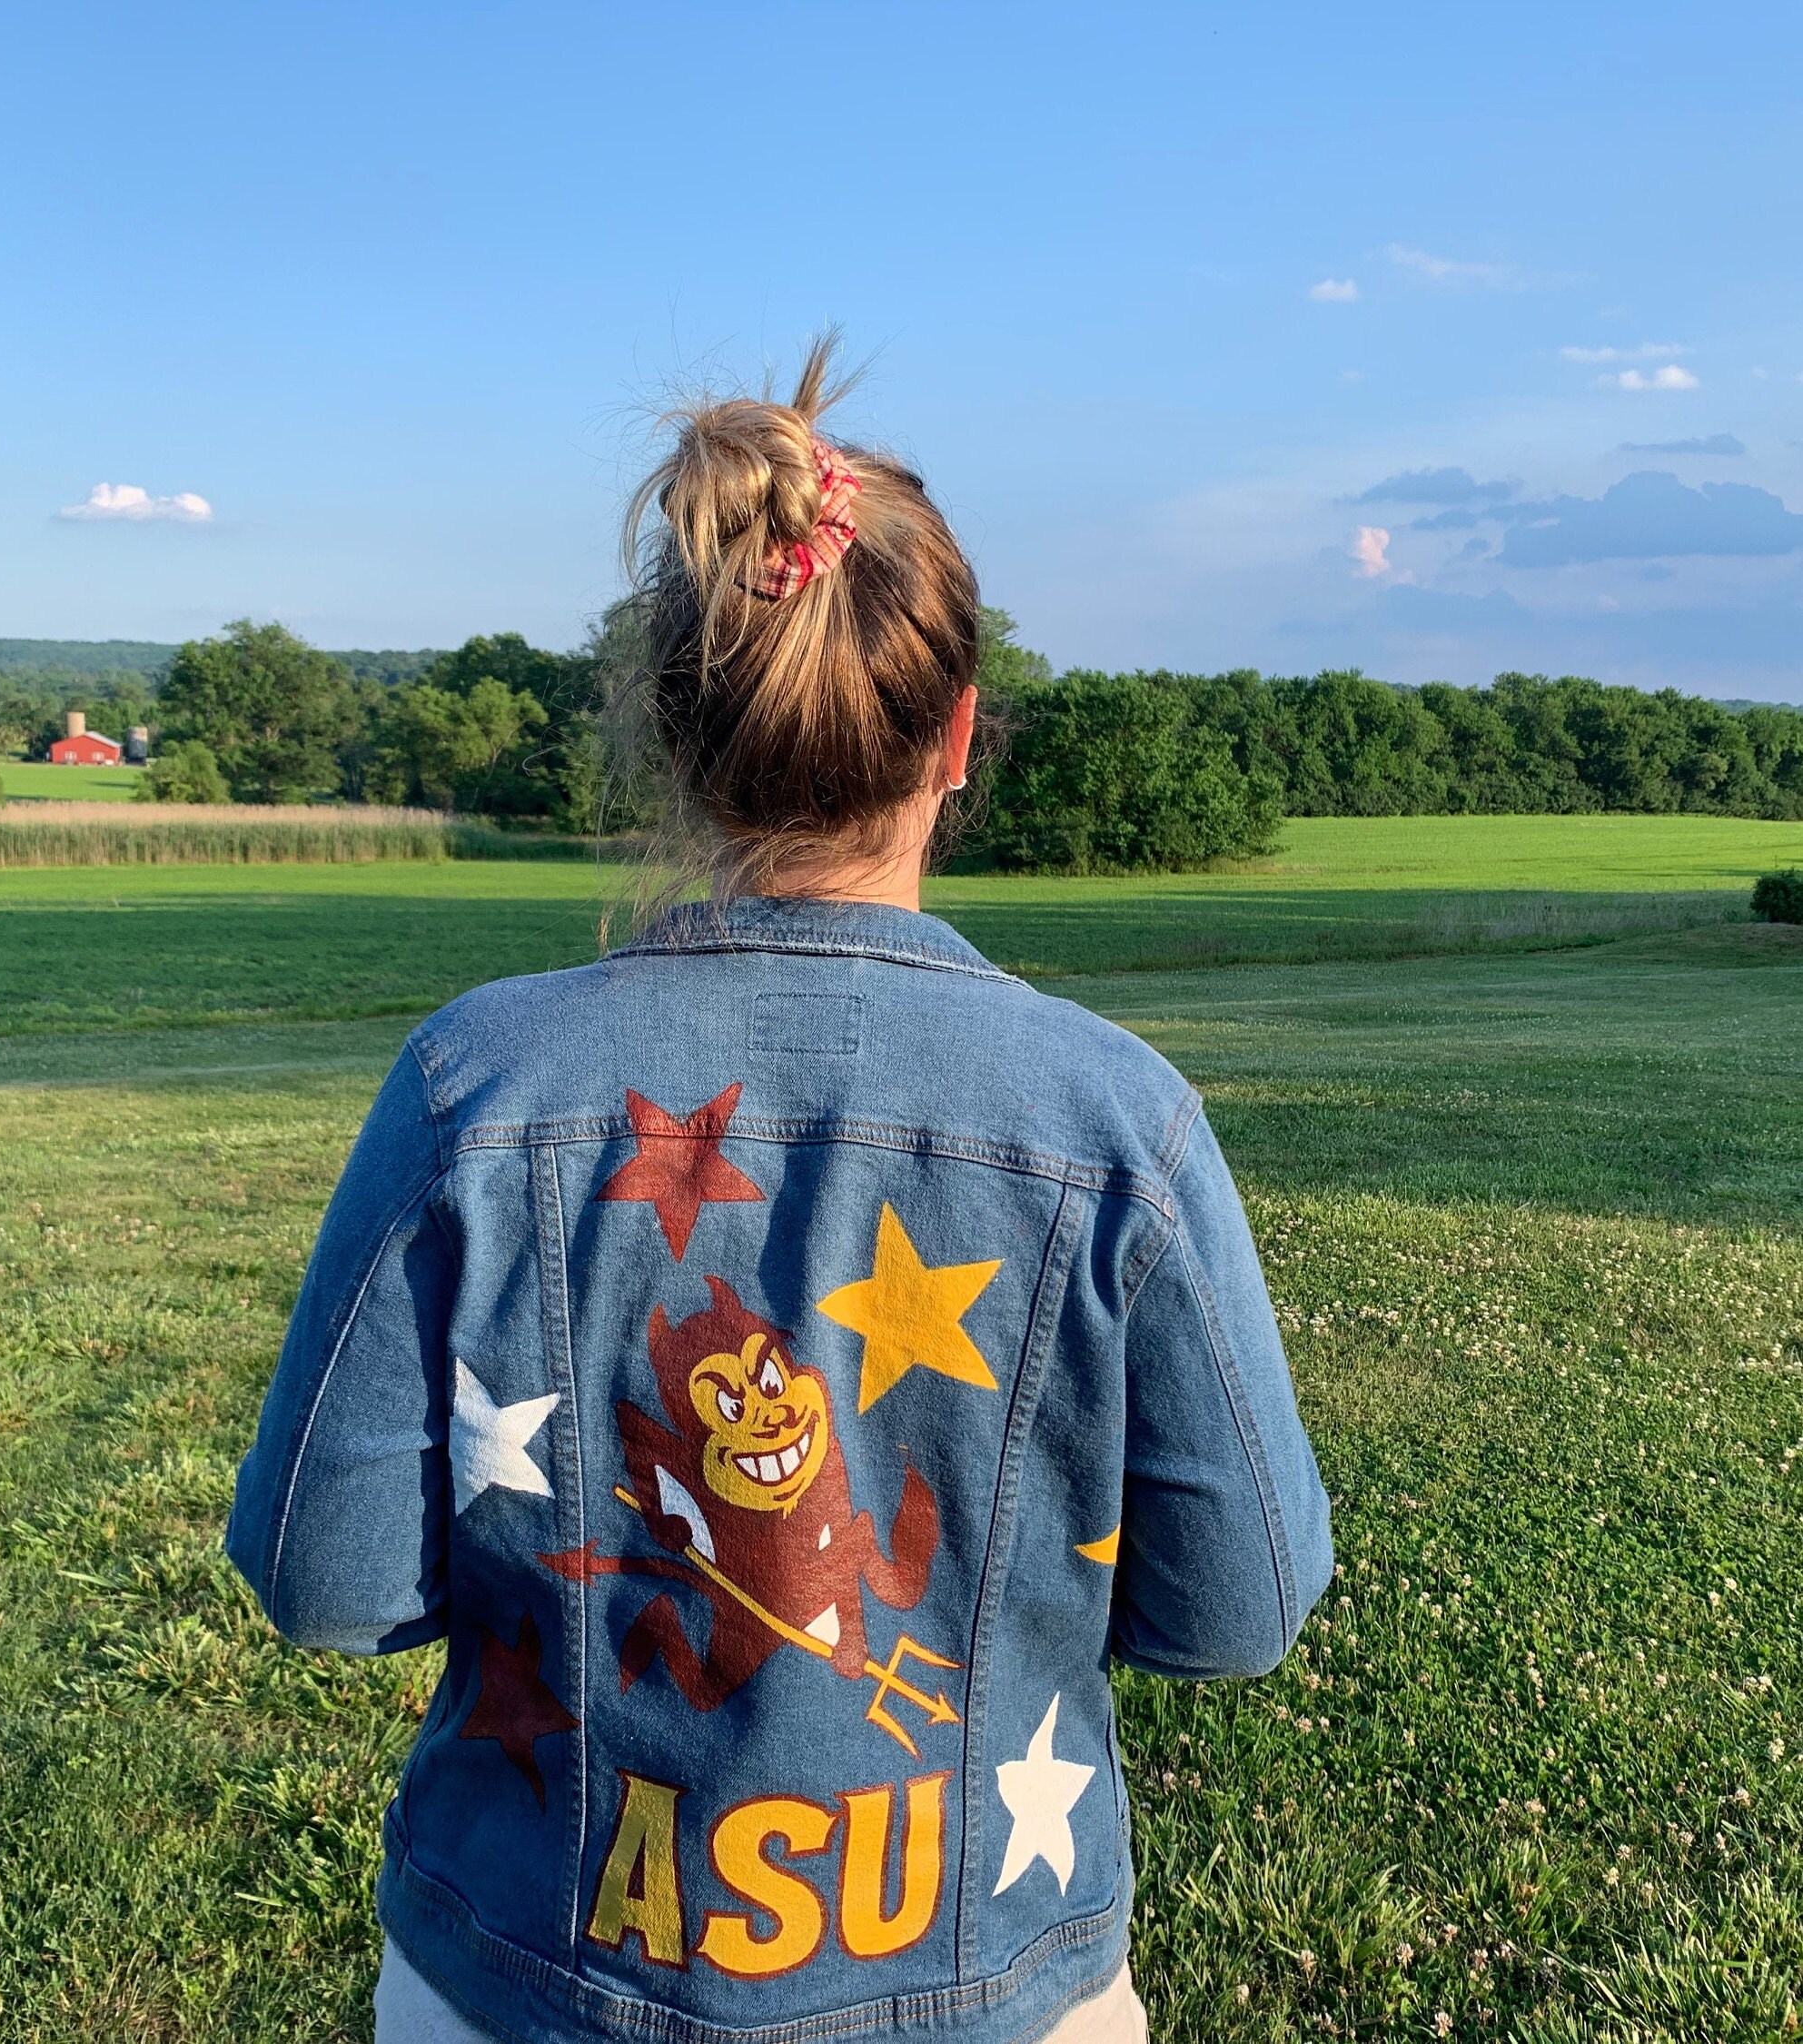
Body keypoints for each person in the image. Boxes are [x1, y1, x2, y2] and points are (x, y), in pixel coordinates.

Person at [226, 340, 1332, 2044]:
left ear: (674, 737)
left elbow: (327, 1578)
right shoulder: (1122, 1125)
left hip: (525, 1982)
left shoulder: (474, 1089)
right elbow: (1238, 1607)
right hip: (990, 1986)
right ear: (959, 738)